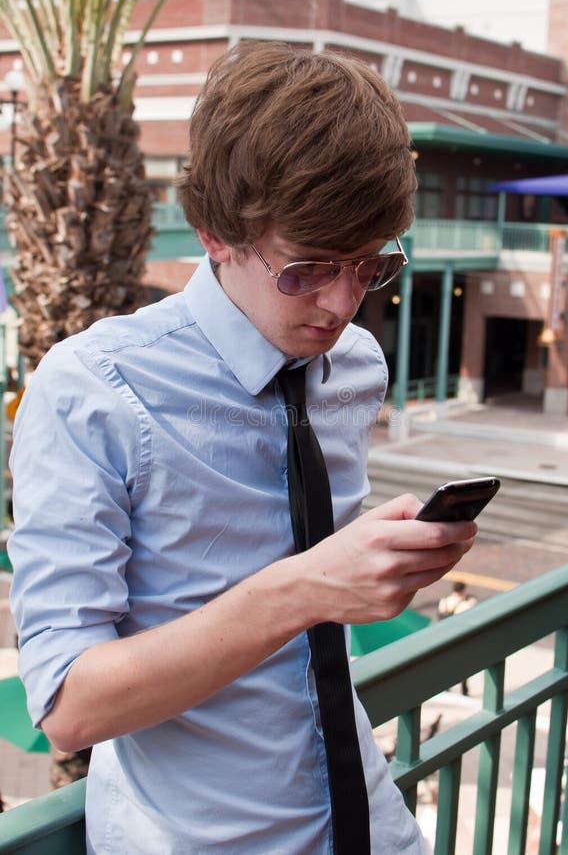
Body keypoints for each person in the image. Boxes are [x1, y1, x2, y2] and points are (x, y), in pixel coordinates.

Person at [8, 42, 477, 854]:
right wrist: (302, 590)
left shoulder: (357, 368)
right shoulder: (91, 388)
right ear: (214, 233)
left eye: (371, 266)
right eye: (307, 269)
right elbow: (69, 709)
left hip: (373, 821)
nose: (341, 305)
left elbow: (321, 604)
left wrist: (383, 563)